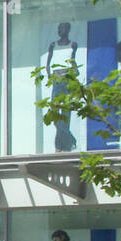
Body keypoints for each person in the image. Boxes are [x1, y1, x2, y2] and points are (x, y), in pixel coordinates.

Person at [43, 23, 79, 151]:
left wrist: (74, 75)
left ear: (68, 30)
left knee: (65, 112)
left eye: (62, 28)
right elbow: (48, 63)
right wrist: (50, 75)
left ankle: (60, 147)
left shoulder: (73, 44)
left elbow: (73, 61)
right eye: (58, 28)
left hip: (67, 79)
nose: (59, 30)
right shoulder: (53, 45)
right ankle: (70, 140)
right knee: (54, 112)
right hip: (57, 80)